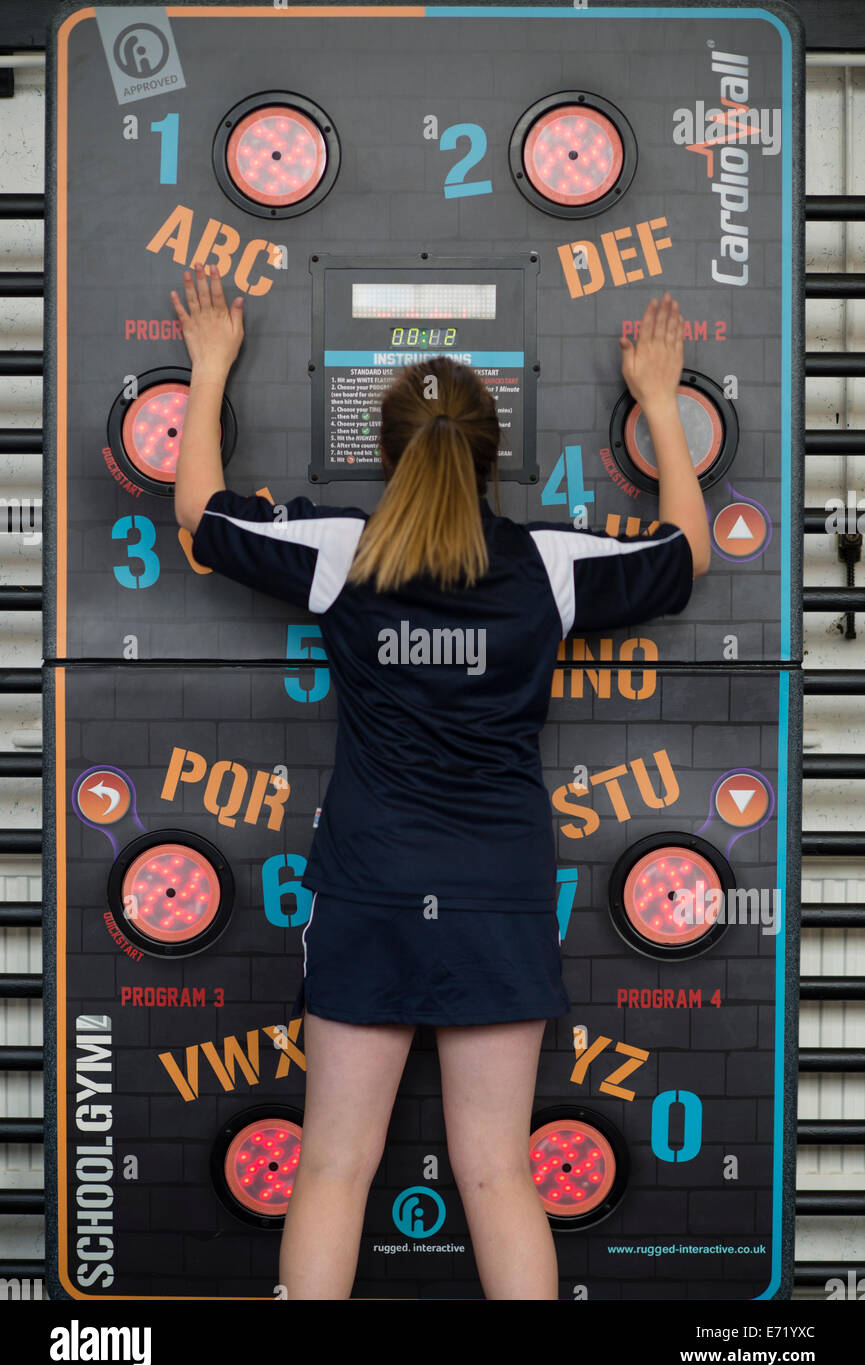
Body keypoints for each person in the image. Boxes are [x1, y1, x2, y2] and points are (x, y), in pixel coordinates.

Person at [171, 263, 710, 1301]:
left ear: (382, 452)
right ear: (492, 455)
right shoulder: (544, 564)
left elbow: (198, 512)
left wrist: (208, 367)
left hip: (371, 884)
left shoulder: (340, 550)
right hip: (494, 892)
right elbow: (684, 555)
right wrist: (657, 407)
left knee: (331, 1168)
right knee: (498, 1172)